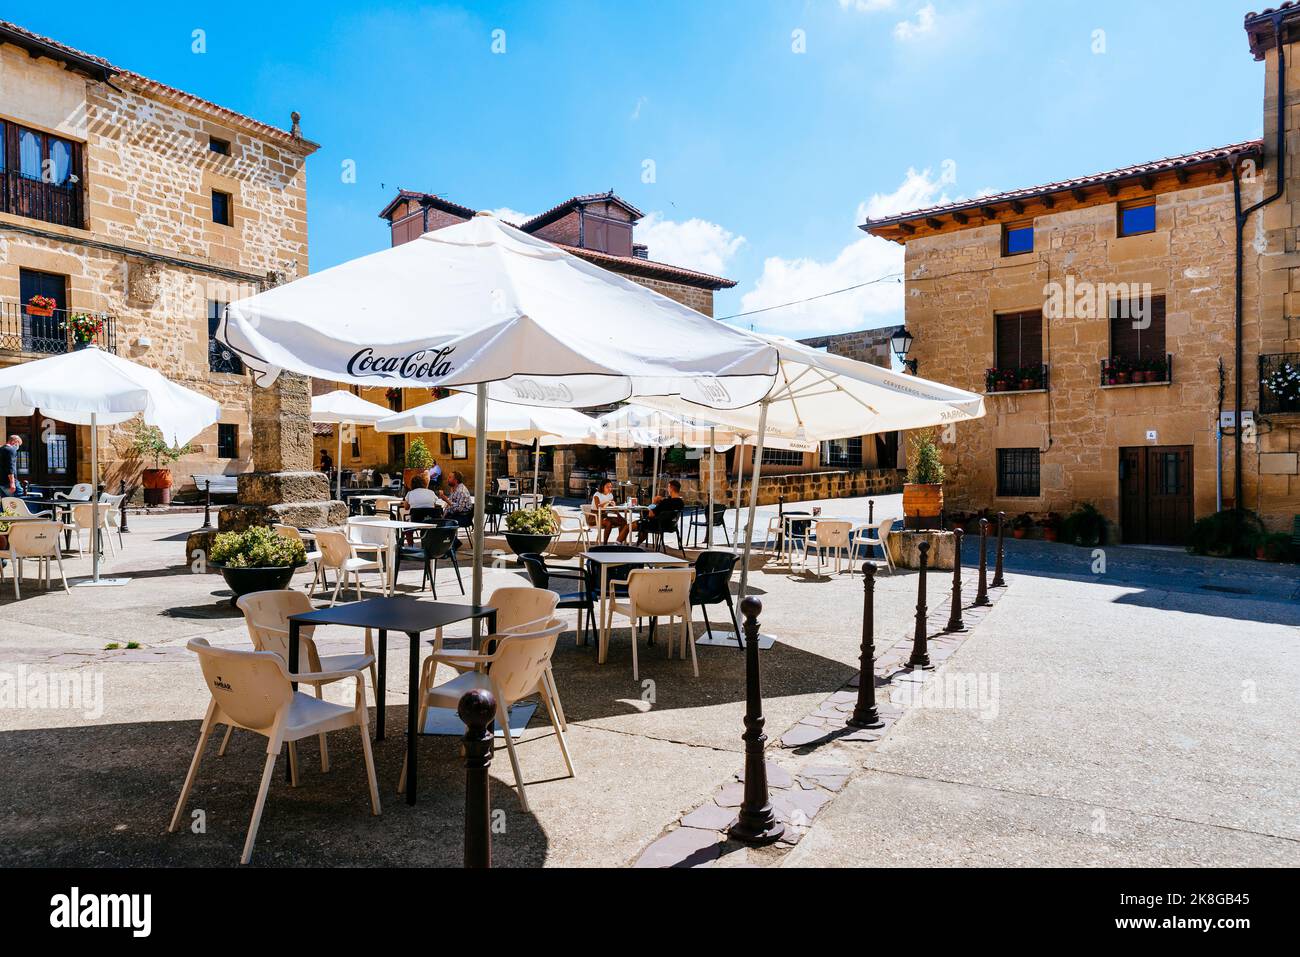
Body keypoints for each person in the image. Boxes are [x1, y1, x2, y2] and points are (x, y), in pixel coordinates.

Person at [636, 479, 684, 546]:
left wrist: (654, 503)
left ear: (671, 488)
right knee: (643, 523)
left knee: (630, 526)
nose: (667, 489)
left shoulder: (666, 502)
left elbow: (651, 514)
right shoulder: (681, 503)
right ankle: (637, 544)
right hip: (671, 526)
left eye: (668, 487)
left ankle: (627, 544)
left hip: (658, 525)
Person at [592, 478, 629, 544]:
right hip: (595, 516)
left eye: (610, 487)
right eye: (607, 487)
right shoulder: (597, 494)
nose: (609, 488)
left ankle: (619, 542)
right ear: (602, 486)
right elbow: (598, 507)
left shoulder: (610, 495)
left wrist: (618, 514)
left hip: (604, 515)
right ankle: (605, 544)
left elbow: (613, 508)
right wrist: (608, 502)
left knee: (623, 521)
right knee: (608, 523)